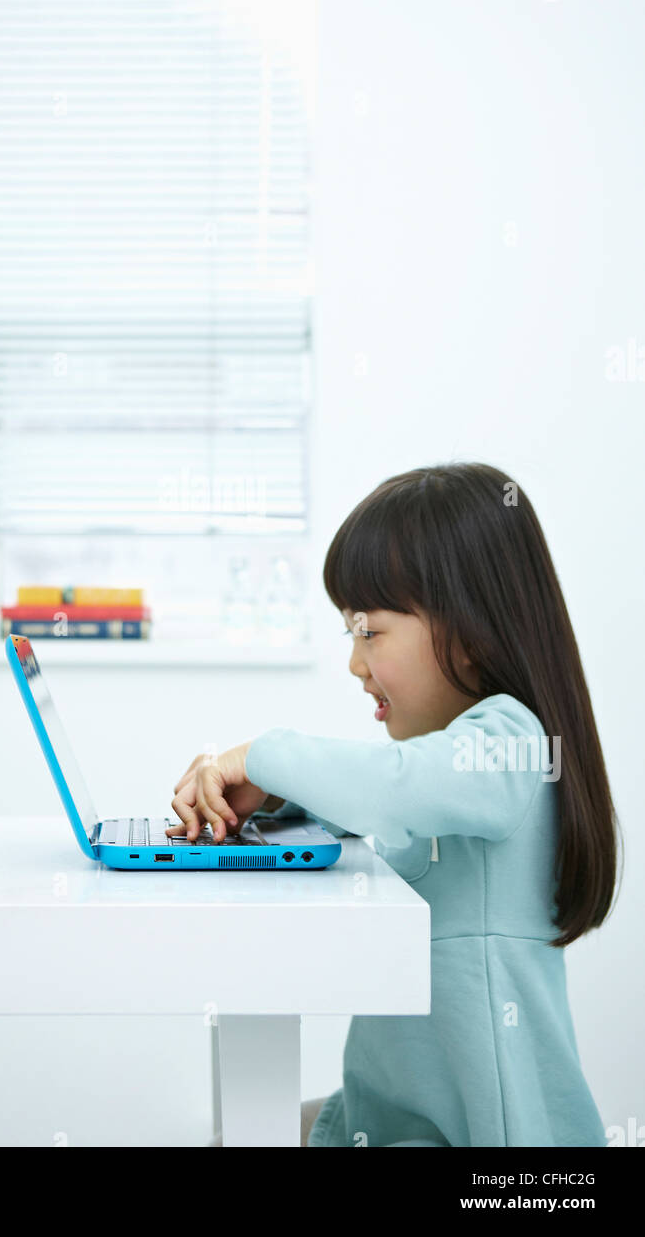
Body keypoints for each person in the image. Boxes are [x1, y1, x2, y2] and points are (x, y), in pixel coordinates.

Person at [169, 463, 621, 1147]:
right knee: (232, 1126)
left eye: (369, 633)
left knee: (239, 1127)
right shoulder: (457, 764)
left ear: (470, 632)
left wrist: (262, 753)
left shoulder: (514, 741)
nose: (355, 663)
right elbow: (385, 801)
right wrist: (277, 793)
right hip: (386, 1118)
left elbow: (401, 786)